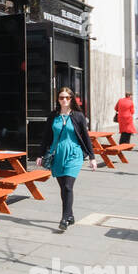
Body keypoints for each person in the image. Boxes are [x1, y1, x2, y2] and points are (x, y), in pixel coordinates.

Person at [36, 87, 96, 231]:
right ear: (58, 100)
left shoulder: (78, 116)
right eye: (61, 97)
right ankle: (70, 215)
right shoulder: (53, 116)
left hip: (74, 154)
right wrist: (40, 154)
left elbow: (86, 137)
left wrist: (92, 157)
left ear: (71, 99)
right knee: (63, 188)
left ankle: (64, 219)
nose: (64, 100)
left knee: (68, 186)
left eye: (67, 98)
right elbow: (46, 137)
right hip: (57, 154)